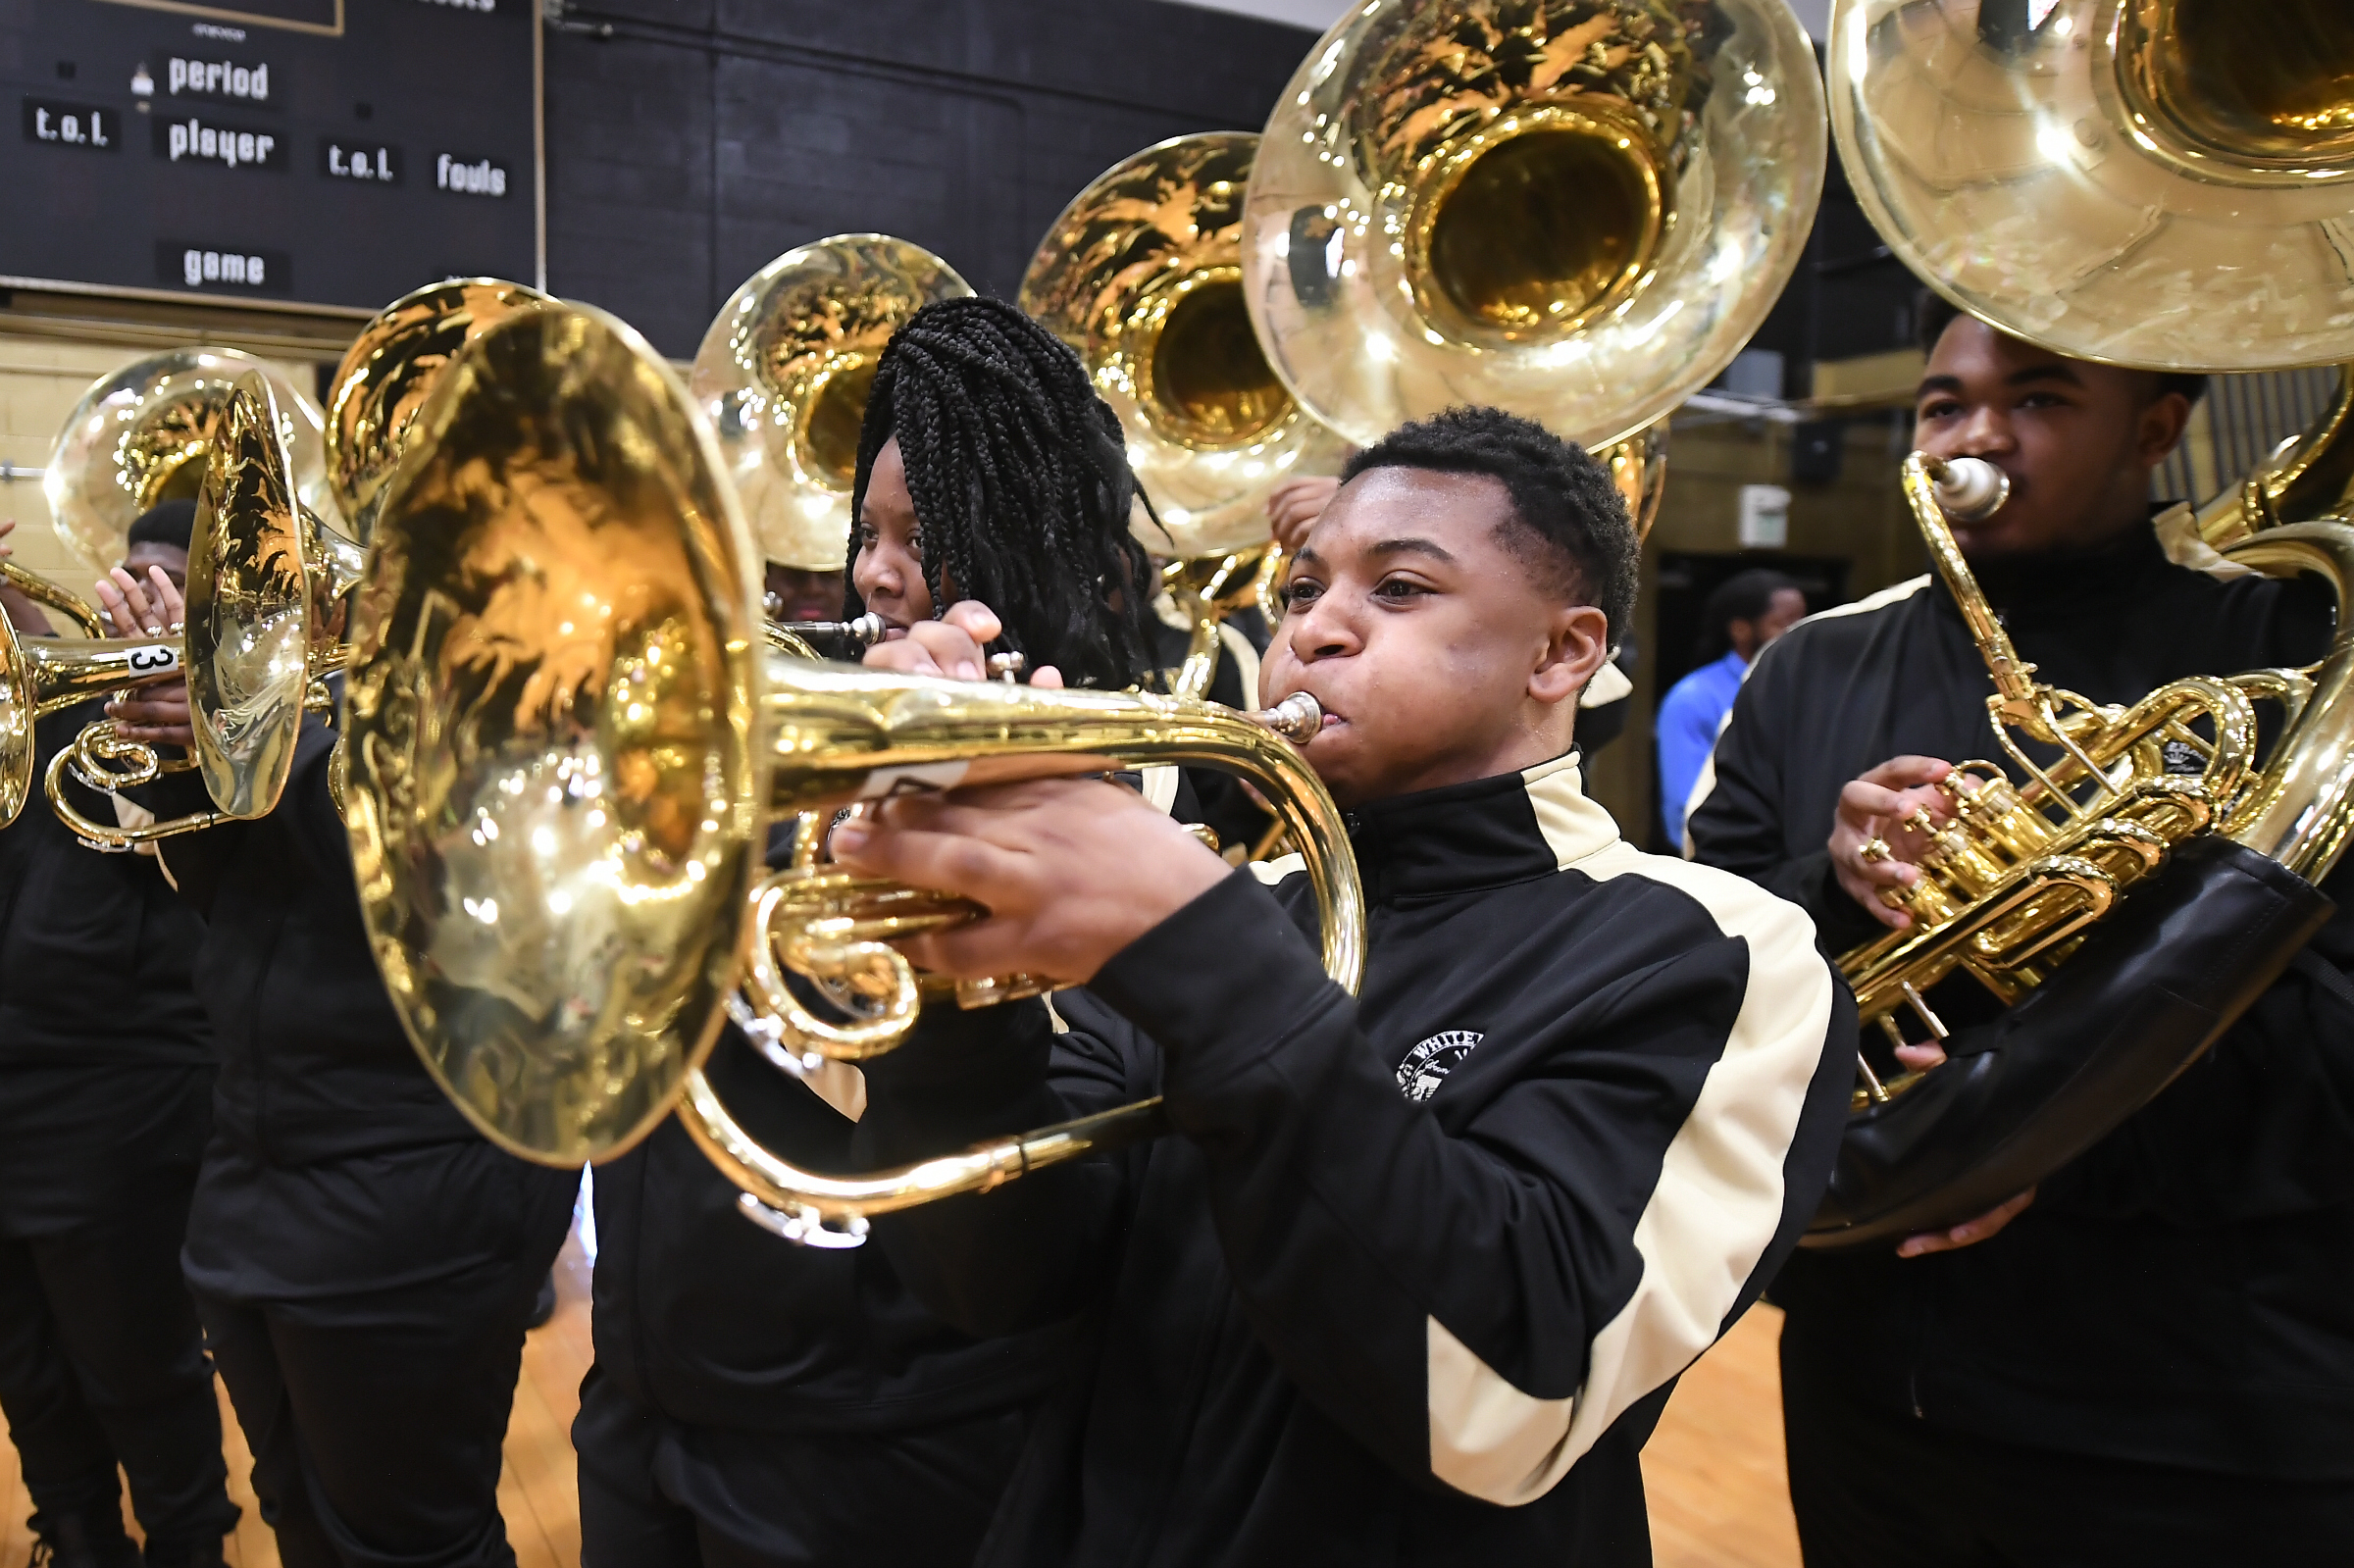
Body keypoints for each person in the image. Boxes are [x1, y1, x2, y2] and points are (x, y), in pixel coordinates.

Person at [838, 406, 1855, 1564]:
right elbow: (998, 1285)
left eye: (1402, 589)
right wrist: (960, 996)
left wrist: (1201, 953)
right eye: (1301, 590)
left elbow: (1506, 1402)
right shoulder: (1256, 900)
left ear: (1562, 653)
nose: (1318, 628)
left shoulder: (1716, 947)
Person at [1686, 293, 2354, 1563]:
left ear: (2156, 428)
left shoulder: (2295, 649)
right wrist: (1833, 882)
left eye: (2040, 398)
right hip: (1874, 1385)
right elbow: (1700, 980)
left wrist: (2043, 1124)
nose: (1973, 439)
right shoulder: (1812, 669)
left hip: (2207, 1409)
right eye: (1943, 406)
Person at [571, 297, 1164, 1568]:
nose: (876, 572)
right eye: (868, 533)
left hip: (879, 1449)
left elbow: (1010, 1248)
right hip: (648, 1393)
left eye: (923, 538)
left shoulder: (1091, 805)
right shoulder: (777, 746)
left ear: (1022, 548)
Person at [103, 571, 579, 1568]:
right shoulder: (330, 689)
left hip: (412, 1172)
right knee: (301, 1515)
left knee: (414, 1540)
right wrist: (186, 764)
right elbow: (235, 898)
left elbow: (423, 874)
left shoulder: (523, 667)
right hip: (257, 1158)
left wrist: (253, 730)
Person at [0, 506, 241, 1568]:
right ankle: (77, 1534)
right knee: (23, 1360)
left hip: (121, 1088)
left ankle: (188, 1542)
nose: (142, 601)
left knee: (136, 1361)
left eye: (172, 589)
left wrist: (194, 700)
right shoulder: (67, 690)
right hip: (9, 1075)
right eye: (133, 579)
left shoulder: (226, 725)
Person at [1655, 569, 1805, 848]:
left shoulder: (1807, 690)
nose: (1797, 635)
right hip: (1725, 866)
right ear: (1740, 629)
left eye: (1802, 622)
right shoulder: (1694, 697)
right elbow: (1683, 810)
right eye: (1784, 624)